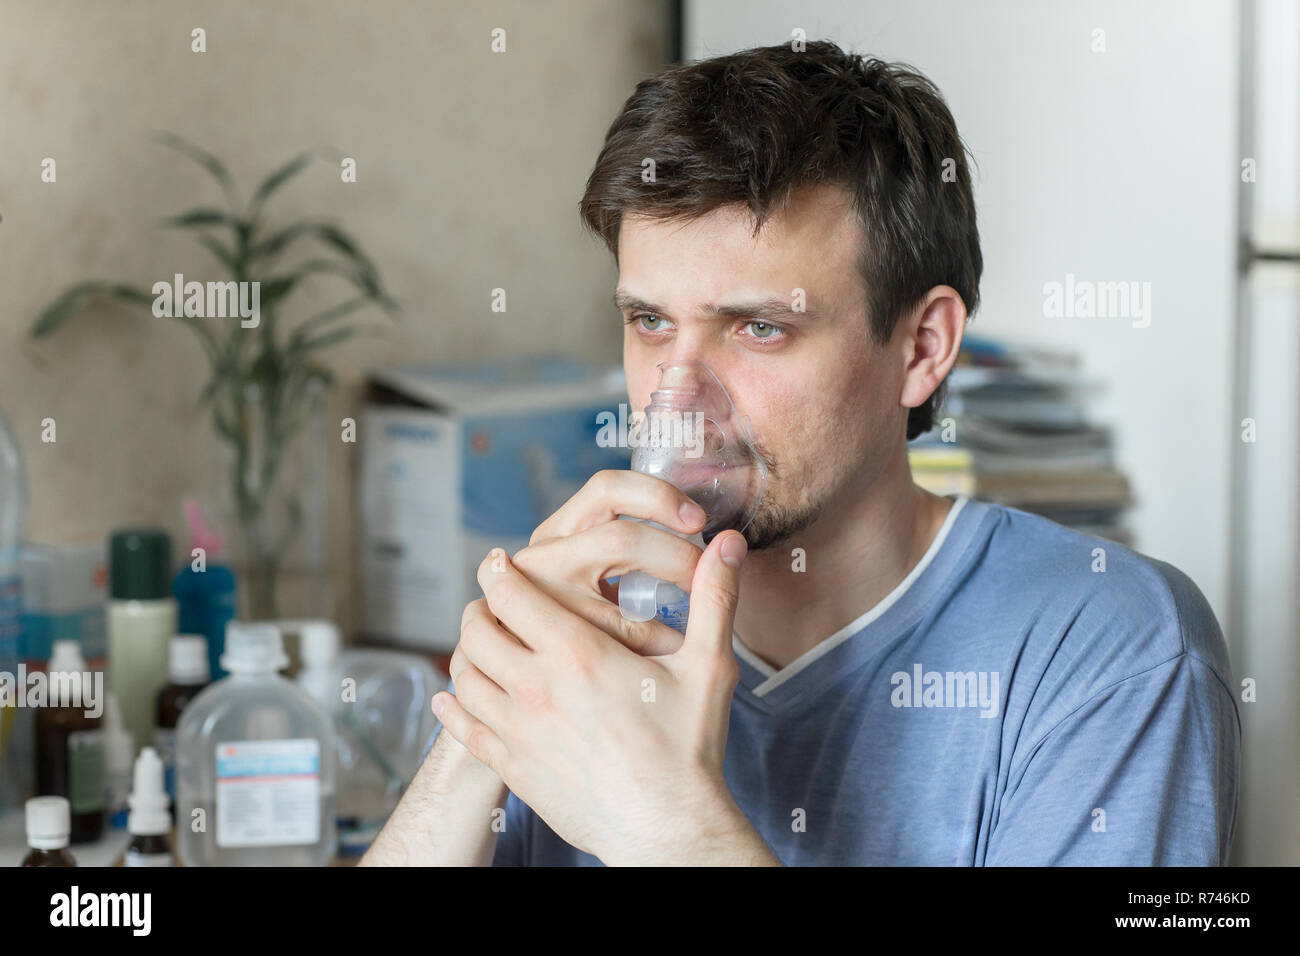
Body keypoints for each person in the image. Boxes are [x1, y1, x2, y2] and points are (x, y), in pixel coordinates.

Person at [362, 40, 1239, 867]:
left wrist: (664, 824)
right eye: (650, 321)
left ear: (923, 347)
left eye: (758, 328)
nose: (678, 397)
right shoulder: (593, 627)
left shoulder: (1109, 650)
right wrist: (483, 724)